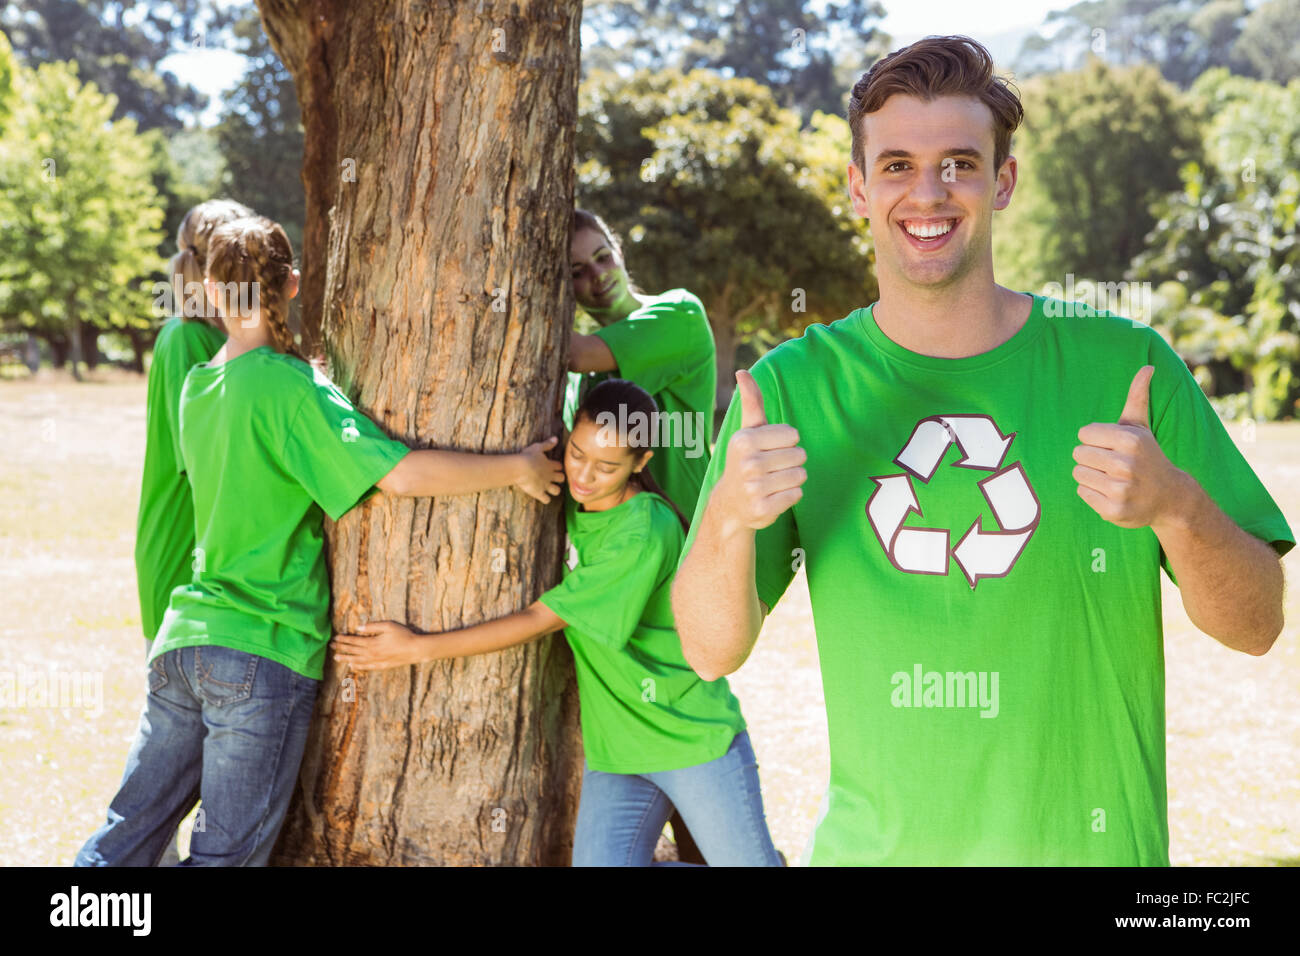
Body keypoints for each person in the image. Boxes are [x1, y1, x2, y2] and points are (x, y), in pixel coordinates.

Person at [672, 35, 1294, 866]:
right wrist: (724, 519)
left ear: (1002, 181)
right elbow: (711, 650)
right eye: (896, 165)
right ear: (859, 186)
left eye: (959, 163)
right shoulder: (791, 389)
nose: (928, 192)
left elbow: (1256, 626)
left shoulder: (1126, 367)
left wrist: (1178, 508)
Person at [76, 215, 564, 867]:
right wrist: (517, 468)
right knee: (223, 856)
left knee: (125, 835)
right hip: (260, 648)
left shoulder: (198, 389)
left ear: (214, 293)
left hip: (182, 642)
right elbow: (399, 474)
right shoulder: (291, 388)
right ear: (295, 284)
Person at [333, 379, 784, 867]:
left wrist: (418, 648)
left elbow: (539, 618)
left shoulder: (643, 531)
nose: (584, 476)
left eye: (607, 466)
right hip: (616, 752)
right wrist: (519, 470)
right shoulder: (578, 494)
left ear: (641, 463)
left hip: (692, 740)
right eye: (577, 454)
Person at [567, 209, 718, 860]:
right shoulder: (585, 379)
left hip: (684, 556)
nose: (596, 276)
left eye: (601, 256)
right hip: (625, 565)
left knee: (688, 720)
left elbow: (574, 347)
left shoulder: (675, 316)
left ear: (620, 251)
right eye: (576, 271)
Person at [134, 197, 252, 865]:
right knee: (181, 741)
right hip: (183, 545)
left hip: (217, 549)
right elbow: (199, 457)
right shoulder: (187, 338)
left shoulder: (229, 339)